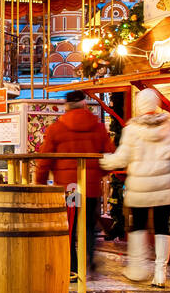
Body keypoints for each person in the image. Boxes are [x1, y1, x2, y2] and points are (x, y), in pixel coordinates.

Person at [101, 87, 170, 288]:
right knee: (162, 227)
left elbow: (122, 158)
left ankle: (137, 268)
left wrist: (104, 161)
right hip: (165, 188)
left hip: (140, 188)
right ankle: (160, 273)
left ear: (139, 105)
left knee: (138, 227)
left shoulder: (132, 129)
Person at [35, 90, 115, 278]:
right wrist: (98, 174)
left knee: (70, 226)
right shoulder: (99, 127)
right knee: (88, 225)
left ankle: (73, 266)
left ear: (67, 106)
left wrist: (40, 182)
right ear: (85, 105)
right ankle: (90, 259)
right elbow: (109, 155)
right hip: (91, 187)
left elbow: (44, 160)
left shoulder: (57, 128)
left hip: (70, 188)